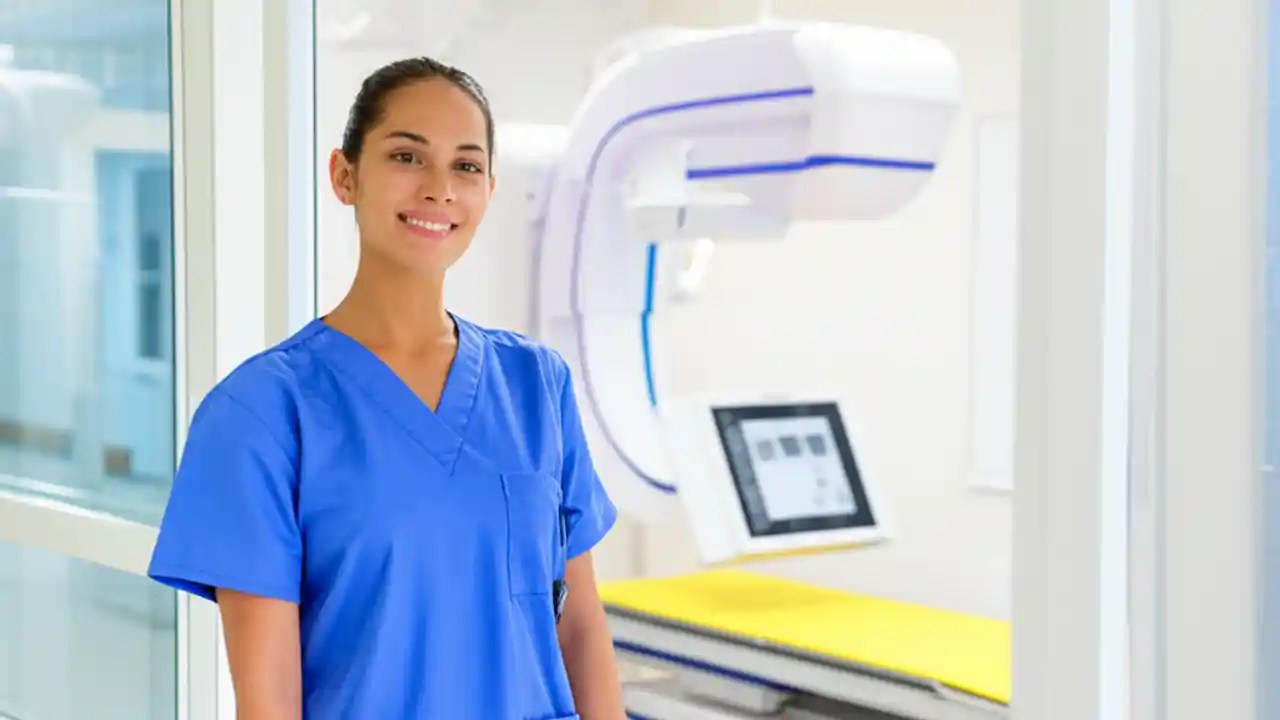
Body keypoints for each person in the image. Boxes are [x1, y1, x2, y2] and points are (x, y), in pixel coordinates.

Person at [147, 57, 626, 719]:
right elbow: (269, 702)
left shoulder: (535, 384)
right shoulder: (262, 412)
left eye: (466, 165)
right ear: (346, 175)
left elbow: (579, 625)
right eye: (407, 156)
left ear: (488, 188)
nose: (439, 188)